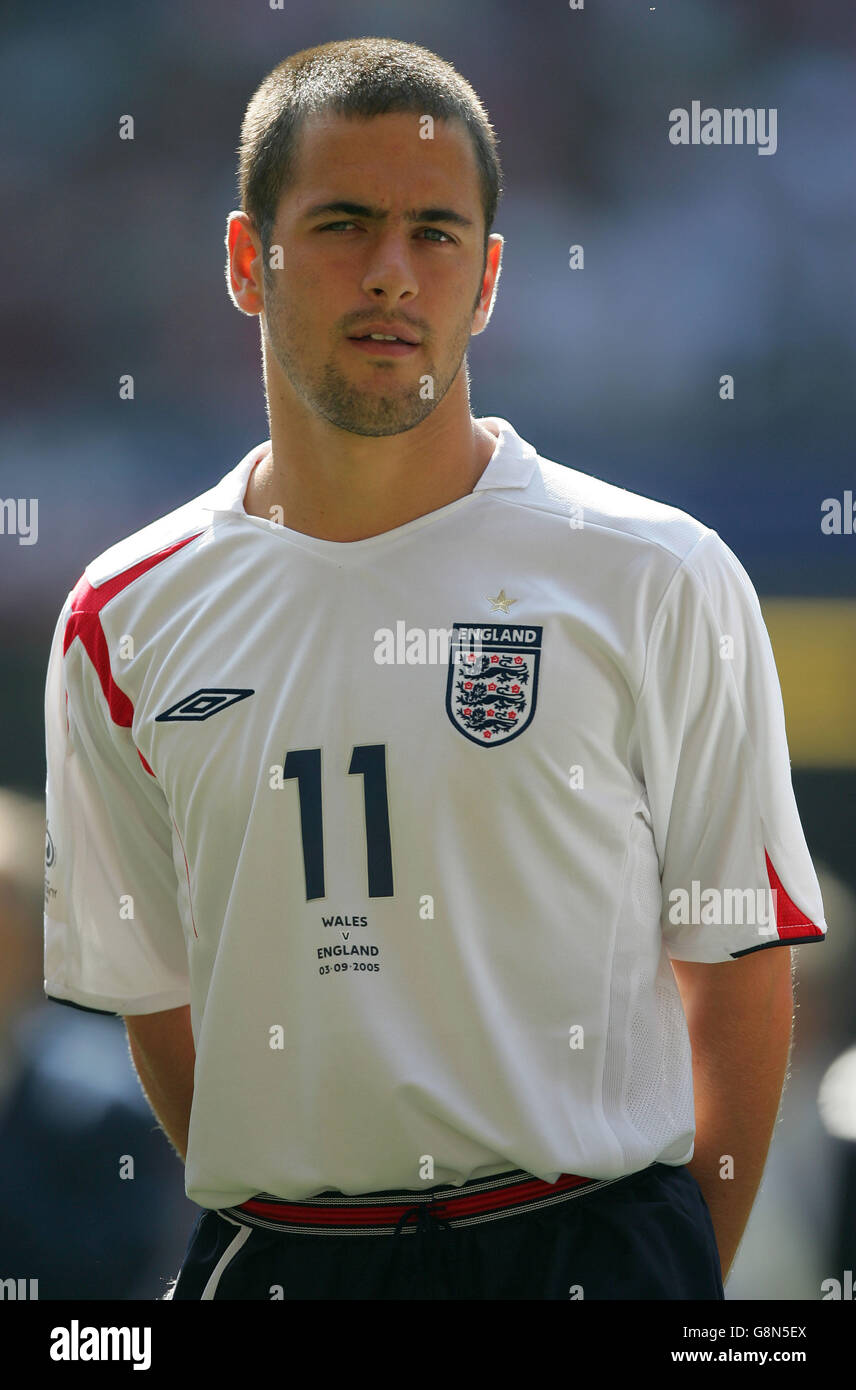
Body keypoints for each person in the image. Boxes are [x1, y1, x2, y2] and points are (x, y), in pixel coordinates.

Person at [43, 37, 827, 1301]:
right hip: (281, 1264)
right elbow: (161, 995)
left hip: (590, 1247)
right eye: (344, 224)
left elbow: (736, 972)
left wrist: (678, 1281)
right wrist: (311, 1207)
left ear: (491, 277)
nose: (393, 274)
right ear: (250, 260)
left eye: (436, 232)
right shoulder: (120, 614)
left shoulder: (656, 572)